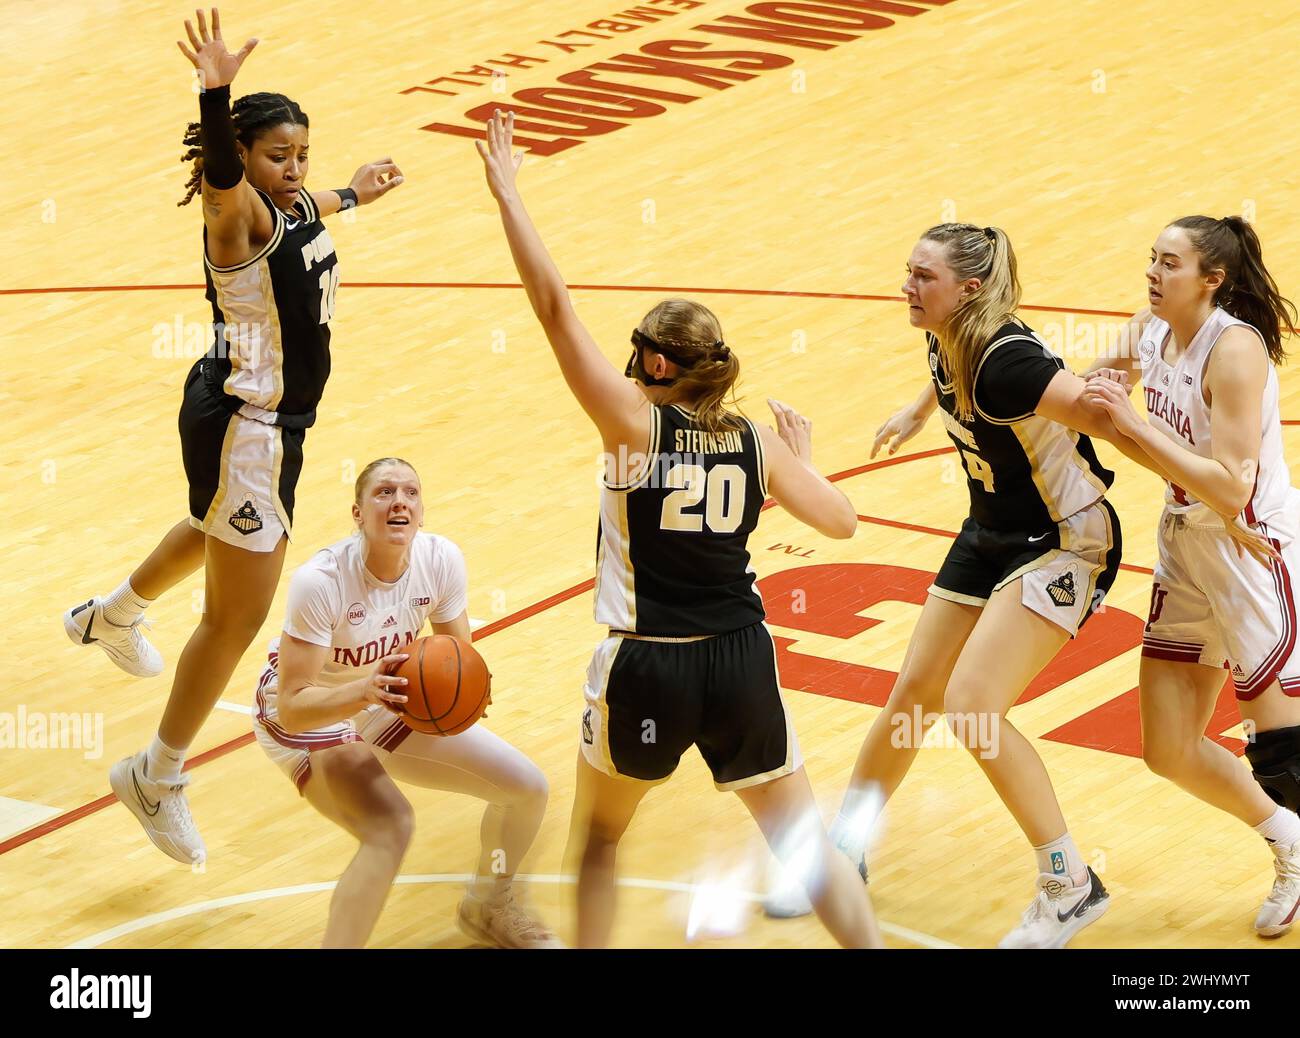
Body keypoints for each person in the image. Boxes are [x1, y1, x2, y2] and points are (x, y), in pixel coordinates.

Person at [476, 110, 882, 948]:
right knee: (804, 848)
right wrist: (800, 466)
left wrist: (510, 193)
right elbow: (842, 522)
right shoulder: (755, 441)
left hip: (649, 661)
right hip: (741, 656)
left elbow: (553, 308)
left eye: (641, 351)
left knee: (599, 837)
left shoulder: (632, 423)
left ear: (658, 364)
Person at [63, 8, 403, 866]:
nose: (293, 171)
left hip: (253, 417)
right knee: (236, 615)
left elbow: (312, 207)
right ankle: (157, 775)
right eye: (274, 157)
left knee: (216, 527)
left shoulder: (289, 204)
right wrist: (215, 95)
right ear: (242, 162)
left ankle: (114, 615)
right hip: (250, 426)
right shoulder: (235, 218)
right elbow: (224, 176)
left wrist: (354, 190)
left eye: (301, 155)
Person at [767, 223, 1128, 948]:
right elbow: (951, 369)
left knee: (972, 707)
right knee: (913, 695)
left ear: (967, 291)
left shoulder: (1011, 363)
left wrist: (1129, 402)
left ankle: (1069, 884)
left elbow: (1094, 413)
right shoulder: (948, 336)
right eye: (907, 271)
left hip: (1067, 539)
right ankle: (844, 851)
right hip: (992, 529)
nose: (906, 286)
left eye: (921, 277)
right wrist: (918, 408)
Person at [1083, 215, 1300, 937]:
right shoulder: (1149, 329)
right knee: (1168, 747)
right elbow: (1085, 392)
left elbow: (1235, 490)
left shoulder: (1235, 351)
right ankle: (1290, 841)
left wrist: (1134, 427)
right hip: (1188, 543)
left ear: (1213, 279)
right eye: (1151, 257)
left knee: (1287, 756)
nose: (1153, 272)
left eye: (1169, 263)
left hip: (1252, 552)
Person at [253, 457, 559, 948]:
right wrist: (360, 690)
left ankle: (489, 905)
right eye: (385, 492)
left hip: (389, 696)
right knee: (390, 828)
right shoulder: (321, 581)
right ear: (357, 513)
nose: (400, 501)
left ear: (421, 512)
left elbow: (459, 657)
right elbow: (293, 703)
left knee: (526, 788)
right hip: (311, 706)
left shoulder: (440, 560)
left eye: (411, 493)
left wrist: (467, 693)